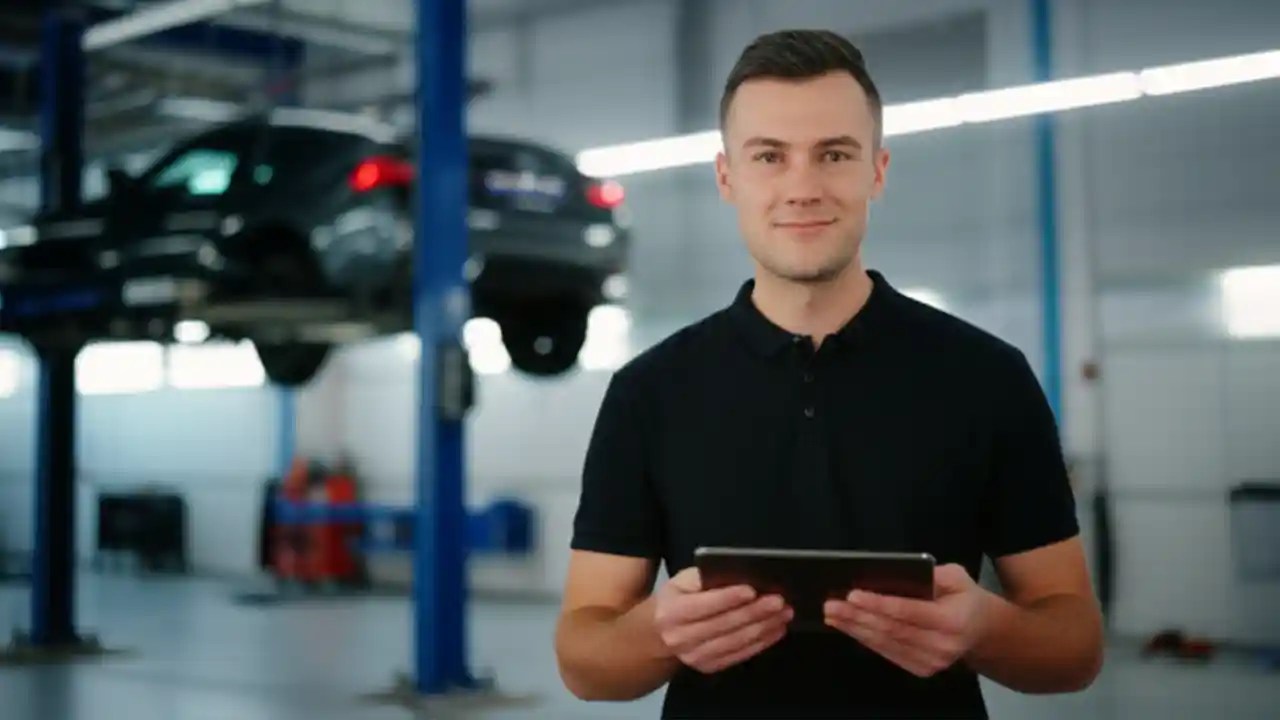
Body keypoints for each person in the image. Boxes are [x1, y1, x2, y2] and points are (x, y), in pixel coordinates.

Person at [554, 29, 1103, 719]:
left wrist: (985, 629)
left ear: (877, 169)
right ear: (728, 177)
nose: (803, 187)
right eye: (769, 157)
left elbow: (1075, 646)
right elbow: (583, 657)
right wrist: (657, 631)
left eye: (834, 154)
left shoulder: (987, 377)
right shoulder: (649, 393)